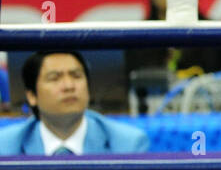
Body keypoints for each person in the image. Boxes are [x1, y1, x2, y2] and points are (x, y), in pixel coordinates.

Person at [0, 51, 148, 155]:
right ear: (32, 96)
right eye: (54, 78)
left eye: (76, 76)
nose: (69, 86)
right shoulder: (5, 148)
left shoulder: (128, 145)